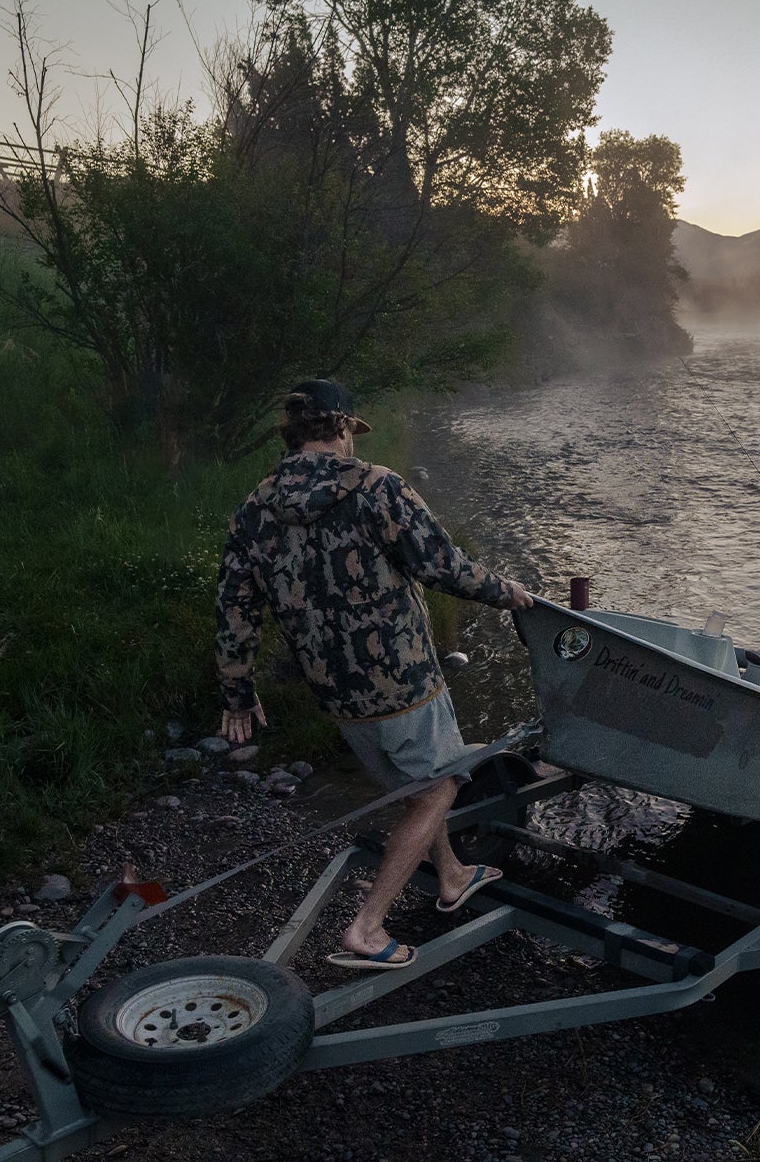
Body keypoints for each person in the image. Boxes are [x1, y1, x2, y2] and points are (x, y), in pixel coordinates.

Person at [215, 378, 533, 970]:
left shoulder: (254, 508)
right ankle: (367, 926)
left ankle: (453, 875)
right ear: (342, 429)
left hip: (331, 688)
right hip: (403, 679)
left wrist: (238, 691)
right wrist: (508, 593)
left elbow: (235, 607)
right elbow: (442, 566)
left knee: (413, 789)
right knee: (438, 786)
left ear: (292, 435)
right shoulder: (376, 486)